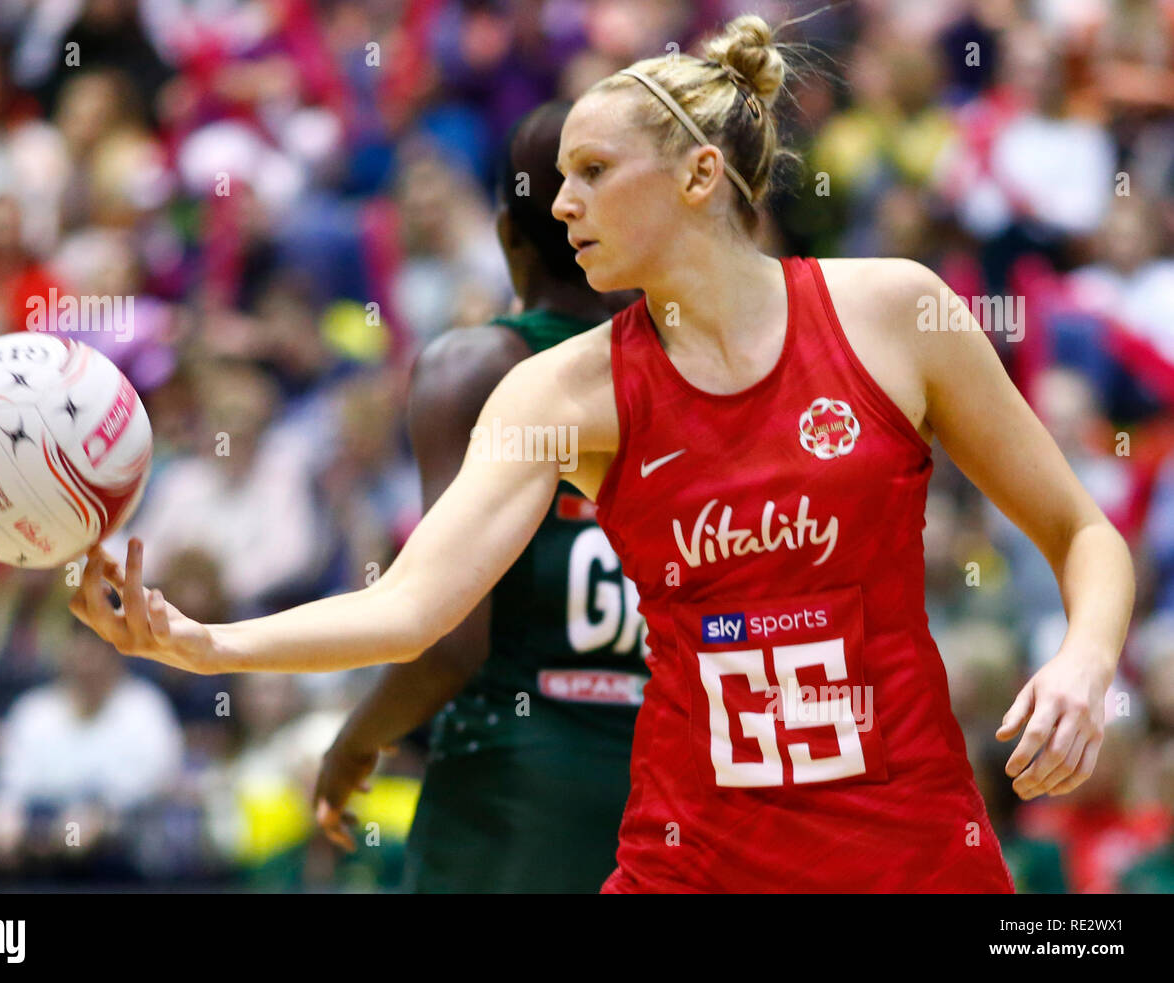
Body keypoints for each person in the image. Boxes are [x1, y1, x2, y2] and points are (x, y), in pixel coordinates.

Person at [70, 14, 1135, 893]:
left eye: (590, 169)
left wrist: (1085, 660)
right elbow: (409, 608)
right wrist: (201, 642)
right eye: (557, 176)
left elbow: (1080, 529)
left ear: (698, 176)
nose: (559, 201)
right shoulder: (560, 389)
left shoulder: (896, 310)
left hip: (904, 842)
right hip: (693, 856)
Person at [312, 101, 648, 893]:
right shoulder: (695, 364)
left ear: (505, 234)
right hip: (675, 788)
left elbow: (447, 641)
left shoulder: (475, 365)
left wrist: (356, 739)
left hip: (514, 784)